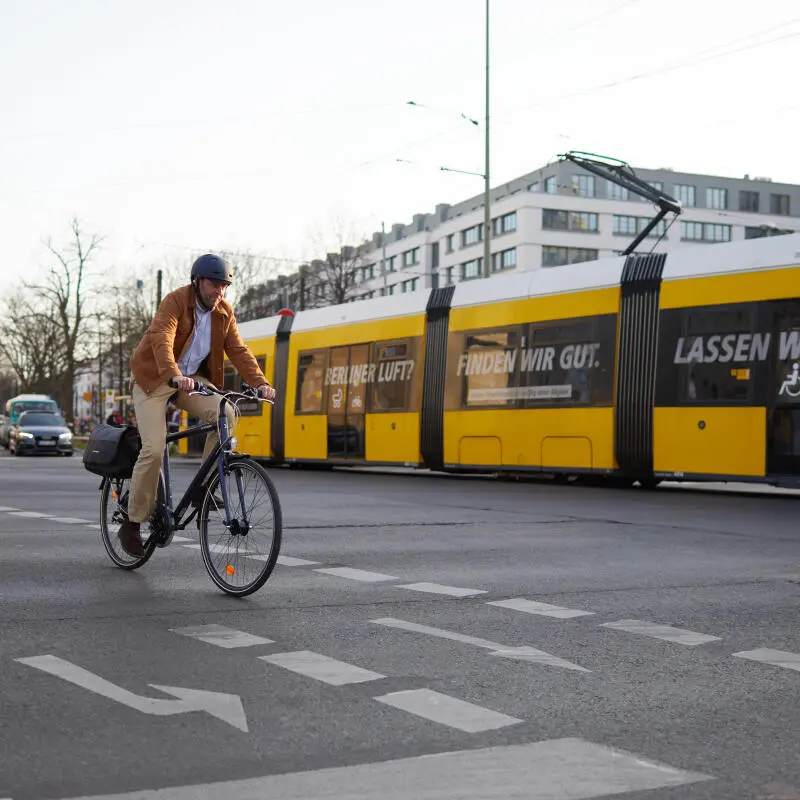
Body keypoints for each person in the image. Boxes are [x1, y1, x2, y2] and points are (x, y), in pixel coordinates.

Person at [118, 253, 276, 557]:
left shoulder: (224, 314)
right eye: (214, 284)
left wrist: (260, 383)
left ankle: (203, 488)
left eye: (223, 286)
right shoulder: (175, 302)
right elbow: (162, 340)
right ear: (197, 282)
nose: (219, 291)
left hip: (191, 380)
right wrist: (174, 375)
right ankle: (132, 521)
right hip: (154, 379)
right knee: (154, 447)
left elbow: (238, 351)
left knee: (226, 413)